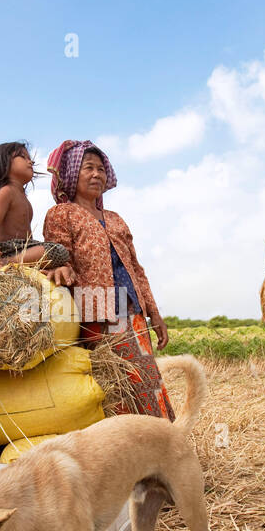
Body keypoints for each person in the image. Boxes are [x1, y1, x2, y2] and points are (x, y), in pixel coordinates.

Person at [42, 140, 174, 419]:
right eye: (88, 168)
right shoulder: (61, 214)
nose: (96, 175)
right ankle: (124, 451)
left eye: (101, 169)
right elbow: (57, 257)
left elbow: (137, 269)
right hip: (94, 313)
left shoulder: (115, 219)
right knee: (114, 385)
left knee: (147, 380)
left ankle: (161, 441)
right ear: (70, 174)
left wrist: (155, 314)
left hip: (132, 311)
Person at [0, 141, 74, 284]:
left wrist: (34, 250)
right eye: (22, 157)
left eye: (30, 158)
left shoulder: (23, 197)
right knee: (58, 250)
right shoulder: (6, 191)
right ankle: (7, 262)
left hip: (23, 247)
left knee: (60, 258)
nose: (30, 161)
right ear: (4, 164)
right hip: (8, 248)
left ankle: (21, 262)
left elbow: (28, 233)